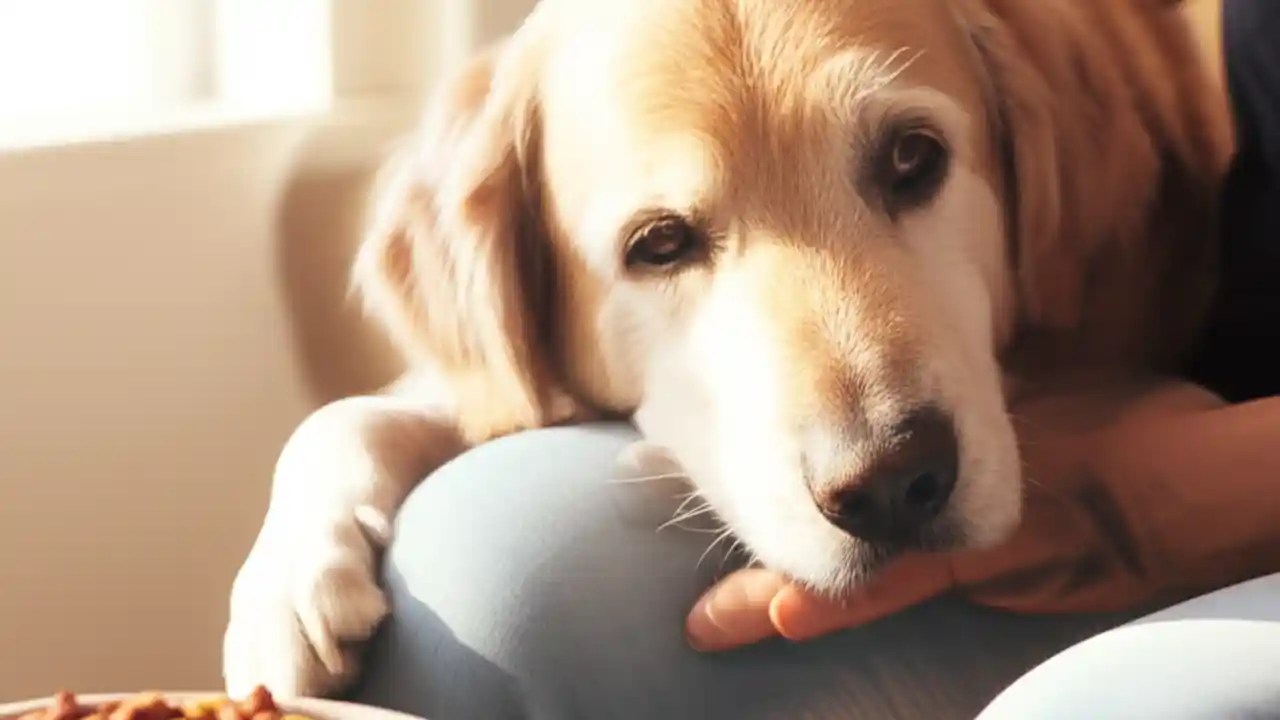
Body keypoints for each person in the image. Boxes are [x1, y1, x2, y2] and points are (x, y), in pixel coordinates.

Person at [350, 1, 1280, 717]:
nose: (866, 431)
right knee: (476, 574)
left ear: (1030, 155)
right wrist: (373, 436)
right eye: (667, 243)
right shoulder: (504, 243)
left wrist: (1191, 498)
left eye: (910, 165)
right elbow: (509, 375)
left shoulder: (1110, 168)